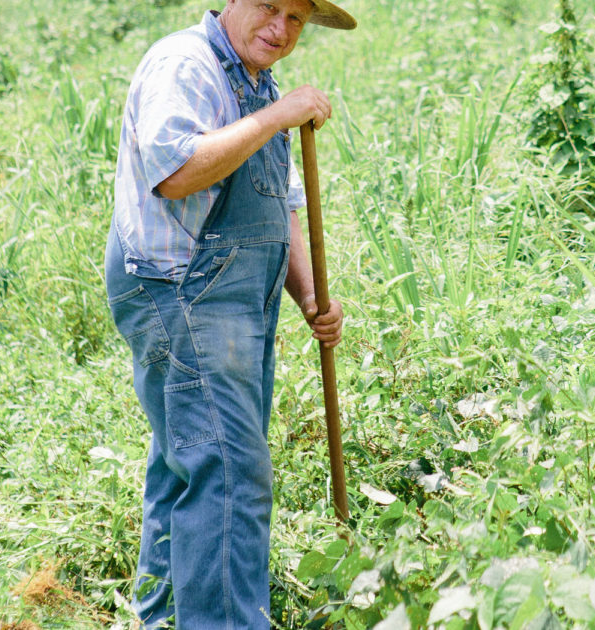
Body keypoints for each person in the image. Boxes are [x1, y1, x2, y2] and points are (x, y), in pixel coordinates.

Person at [104, 1, 353, 627]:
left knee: (187, 458)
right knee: (228, 471)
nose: (280, 27)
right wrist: (278, 116)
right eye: (269, 6)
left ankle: (162, 617)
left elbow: (280, 203)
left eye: (296, 19)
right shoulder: (185, 63)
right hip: (182, 291)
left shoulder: (254, 79)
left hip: (232, 297)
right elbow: (177, 170)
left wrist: (308, 297)